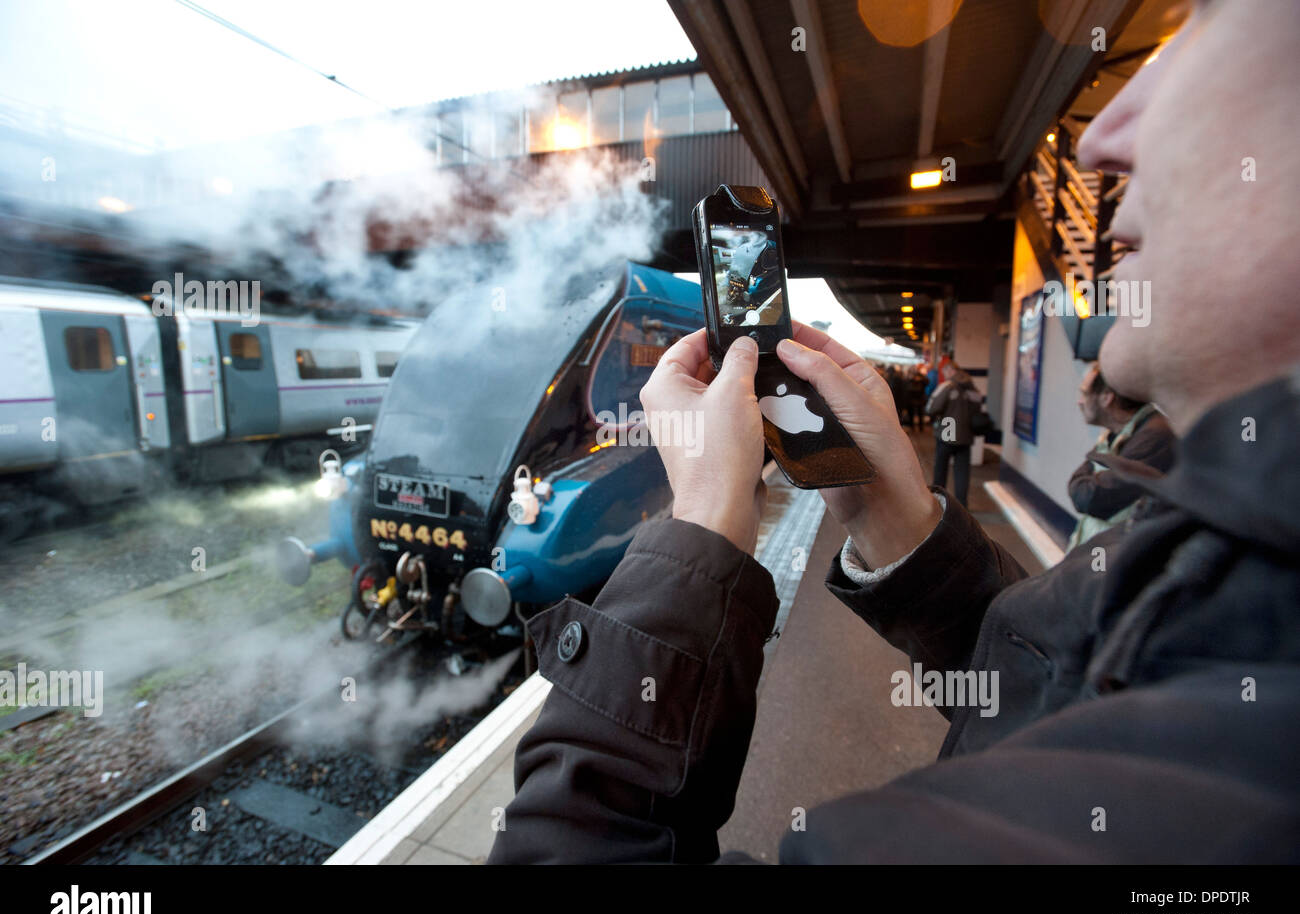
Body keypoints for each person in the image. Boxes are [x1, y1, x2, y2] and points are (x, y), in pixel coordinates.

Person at [489, 0, 1300, 864]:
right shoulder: (1233, 578)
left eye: (1203, 19)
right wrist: (889, 515)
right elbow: (1066, 689)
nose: (1106, 135)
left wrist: (699, 528)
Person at [1066, 362, 1175, 549]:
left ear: (1107, 397)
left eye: (1084, 393)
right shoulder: (1116, 433)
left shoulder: (1156, 437)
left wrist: (1084, 481)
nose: (1080, 402)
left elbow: (1090, 497)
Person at [924, 364, 982, 506]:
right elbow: (977, 409)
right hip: (965, 436)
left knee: (940, 469)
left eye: (945, 371)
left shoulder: (947, 386)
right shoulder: (972, 389)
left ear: (951, 370)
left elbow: (931, 408)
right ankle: (962, 505)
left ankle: (938, 502)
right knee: (962, 473)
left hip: (947, 433)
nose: (945, 374)